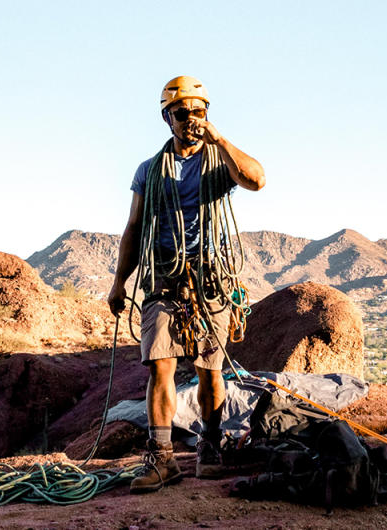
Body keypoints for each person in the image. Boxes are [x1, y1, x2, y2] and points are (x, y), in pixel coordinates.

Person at [107, 76, 265, 494]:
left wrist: (219, 138)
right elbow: (134, 227)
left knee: (209, 370)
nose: (192, 119)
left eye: (199, 111)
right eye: (183, 113)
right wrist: (118, 283)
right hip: (163, 278)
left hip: (210, 278)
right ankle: (161, 459)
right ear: (167, 118)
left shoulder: (218, 160)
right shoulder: (148, 171)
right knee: (160, 365)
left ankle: (209, 447)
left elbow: (256, 180)